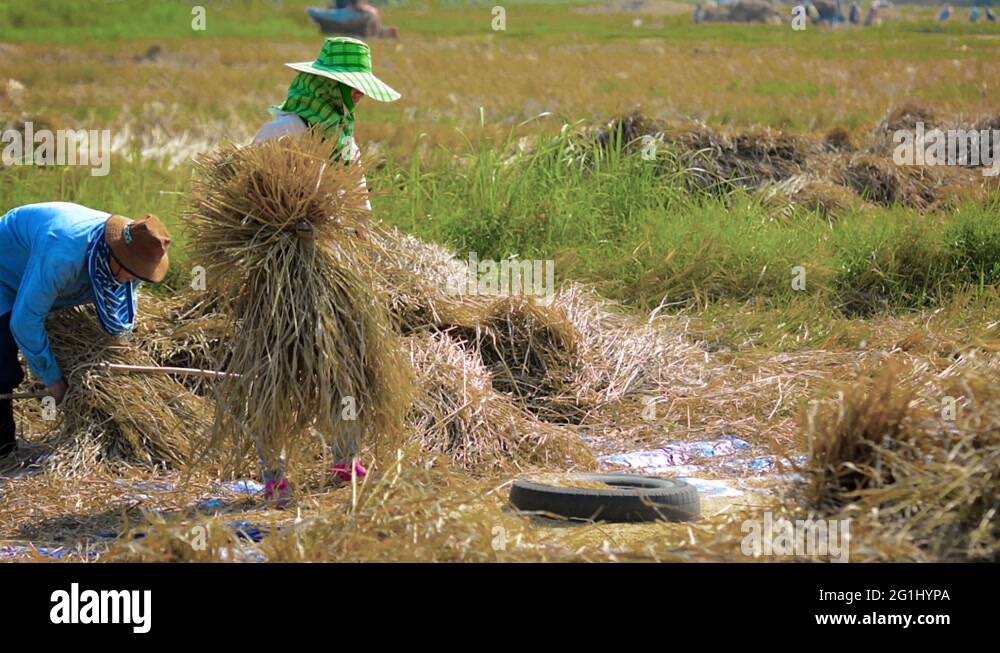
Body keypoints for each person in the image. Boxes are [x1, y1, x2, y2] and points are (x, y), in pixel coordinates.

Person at [252, 37, 400, 505]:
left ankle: (344, 458)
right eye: (350, 89)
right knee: (274, 370)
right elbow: (244, 201)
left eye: (359, 90)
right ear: (324, 84)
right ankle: (273, 474)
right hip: (277, 274)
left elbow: (360, 209)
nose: (358, 99)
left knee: (346, 365)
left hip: (333, 271)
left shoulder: (345, 143)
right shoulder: (282, 132)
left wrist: (363, 253)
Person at [0, 202, 172, 457]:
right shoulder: (64, 255)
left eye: (140, 275)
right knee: (3, 364)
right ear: (116, 256)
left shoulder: (134, 253)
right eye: (133, 273)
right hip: (5, 272)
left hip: (37, 270)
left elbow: (122, 311)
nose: (134, 281)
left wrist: (120, 351)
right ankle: (3, 451)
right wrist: (54, 381)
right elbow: (24, 322)